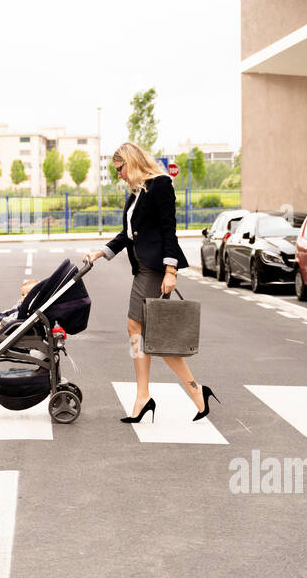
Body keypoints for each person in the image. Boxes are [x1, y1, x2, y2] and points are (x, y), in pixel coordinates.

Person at [82, 142, 218, 423]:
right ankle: (185, 392)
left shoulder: (160, 185)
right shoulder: (135, 194)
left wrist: (171, 270)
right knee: (150, 334)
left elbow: (170, 229)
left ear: (132, 163)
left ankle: (164, 394)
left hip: (155, 269)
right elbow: (127, 235)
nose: (118, 174)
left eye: (120, 169)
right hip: (142, 268)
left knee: (144, 331)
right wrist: (100, 252)